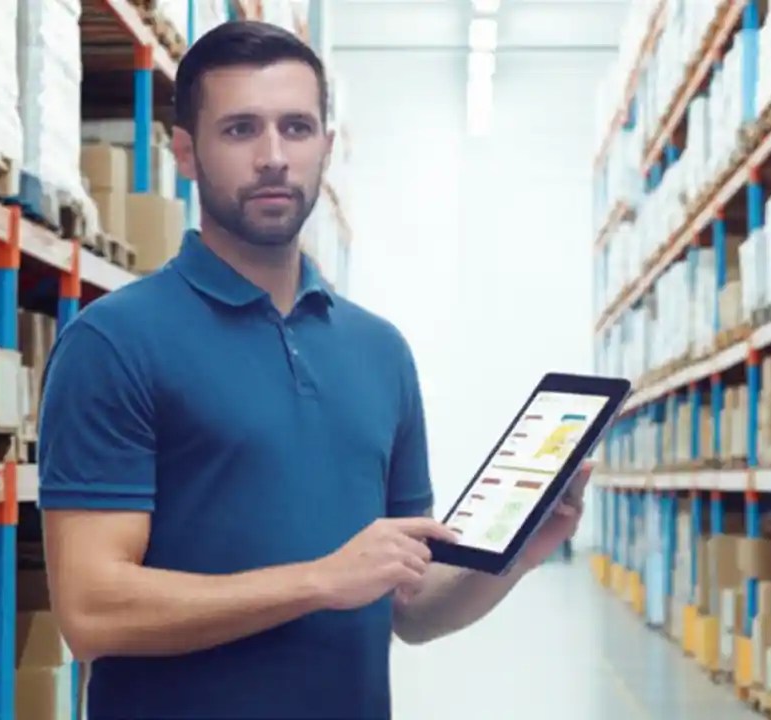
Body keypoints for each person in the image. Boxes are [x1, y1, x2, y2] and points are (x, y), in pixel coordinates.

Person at [37, 20, 591, 720]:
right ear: (185, 152)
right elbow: (92, 610)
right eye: (240, 129)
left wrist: (517, 553)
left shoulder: (379, 351)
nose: (274, 157)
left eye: (296, 128)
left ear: (325, 147)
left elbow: (410, 606)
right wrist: (319, 581)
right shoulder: (114, 342)